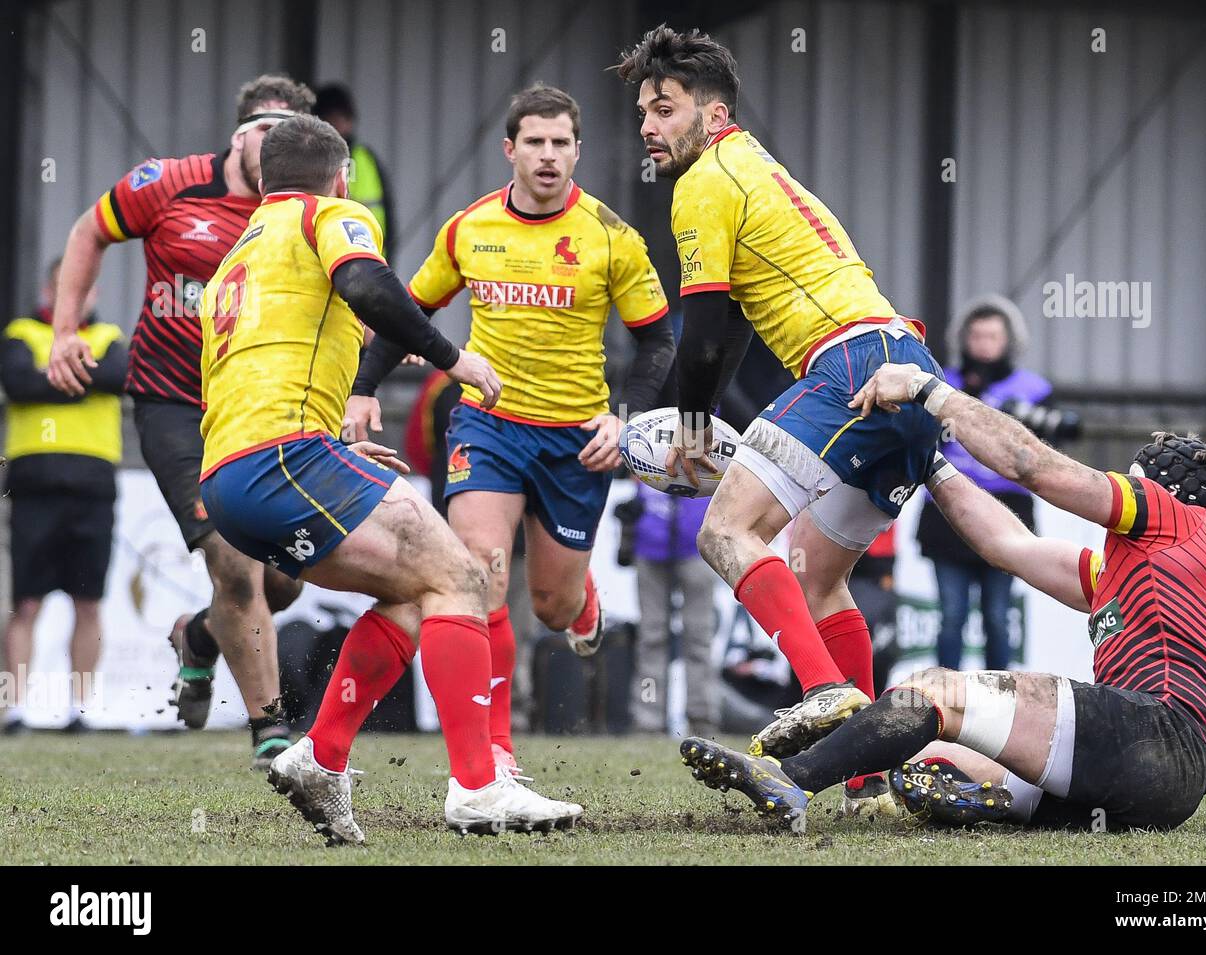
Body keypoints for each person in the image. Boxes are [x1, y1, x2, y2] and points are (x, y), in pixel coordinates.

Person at [199, 114, 582, 841]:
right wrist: (451, 356)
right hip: (282, 458)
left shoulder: (238, 255)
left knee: (421, 593)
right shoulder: (332, 214)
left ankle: (322, 755)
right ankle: (479, 786)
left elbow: (244, 372)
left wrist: (326, 441)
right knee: (465, 578)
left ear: (262, 180)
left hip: (234, 473)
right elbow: (370, 286)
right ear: (340, 177)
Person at [681, 360, 1206, 833]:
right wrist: (931, 461)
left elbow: (1034, 468)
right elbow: (1008, 544)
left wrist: (929, 390)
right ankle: (996, 801)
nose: (1124, 485)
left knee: (930, 691)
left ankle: (791, 780)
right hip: (1161, 786)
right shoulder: (1158, 572)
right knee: (923, 755)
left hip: (1154, 733)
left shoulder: (1172, 515)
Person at [616, 27, 943, 766]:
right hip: (910, 368)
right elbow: (729, 324)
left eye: (664, 109)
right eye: (642, 112)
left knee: (724, 533)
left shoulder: (703, 183)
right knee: (821, 578)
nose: (647, 127)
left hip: (847, 365)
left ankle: (825, 689)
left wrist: (695, 427)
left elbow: (699, 333)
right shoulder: (754, 167)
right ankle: (868, 776)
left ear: (716, 115)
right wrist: (704, 414)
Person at [346, 84, 675, 778]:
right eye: (535, 142)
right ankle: (495, 751)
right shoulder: (469, 228)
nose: (549, 156)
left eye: (561, 143)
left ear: (576, 151)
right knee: (480, 574)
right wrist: (362, 388)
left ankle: (583, 609)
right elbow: (406, 311)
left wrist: (623, 417)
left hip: (575, 439)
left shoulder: (612, 236)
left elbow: (658, 342)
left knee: (551, 604)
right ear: (511, 149)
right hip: (488, 425)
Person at [44, 75, 315, 768]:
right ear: (239, 133)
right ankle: (271, 733)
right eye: (264, 132)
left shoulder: (307, 210)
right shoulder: (166, 183)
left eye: (288, 138)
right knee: (235, 564)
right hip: (174, 405)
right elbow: (88, 231)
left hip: (263, 410)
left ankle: (197, 636)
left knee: (284, 579)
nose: (273, 148)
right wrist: (66, 330)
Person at [1, 261, 125, 733]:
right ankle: (13, 709)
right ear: (47, 288)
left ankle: (81, 708)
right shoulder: (22, 332)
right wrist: (79, 377)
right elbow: (19, 383)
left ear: (92, 293)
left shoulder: (110, 335)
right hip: (34, 487)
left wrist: (52, 374)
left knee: (88, 601)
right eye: (64, 287)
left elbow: (117, 375)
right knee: (26, 604)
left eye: (84, 289)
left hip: (93, 488)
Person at [916, 295, 1050, 671]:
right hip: (947, 511)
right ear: (964, 338)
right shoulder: (943, 382)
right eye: (976, 336)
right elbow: (922, 434)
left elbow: (1049, 449)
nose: (984, 344)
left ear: (1009, 340)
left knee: (997, 616)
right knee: (952, 616)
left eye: (992, 336)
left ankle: (999, 708)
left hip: (1009, 512)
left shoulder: (1033, 389)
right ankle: (942, 703)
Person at [629, 481, 717, 736]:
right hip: (649, 540)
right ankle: (647, 718)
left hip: (698, 542)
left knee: (698, 637)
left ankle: (702, 717)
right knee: (651, 636)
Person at [313, 83, 396, 253]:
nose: (340, 124)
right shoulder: (310, 158)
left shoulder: (365, 158)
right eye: (333, 118)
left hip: (370, 254)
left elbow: (388, 211)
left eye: (344, 117)